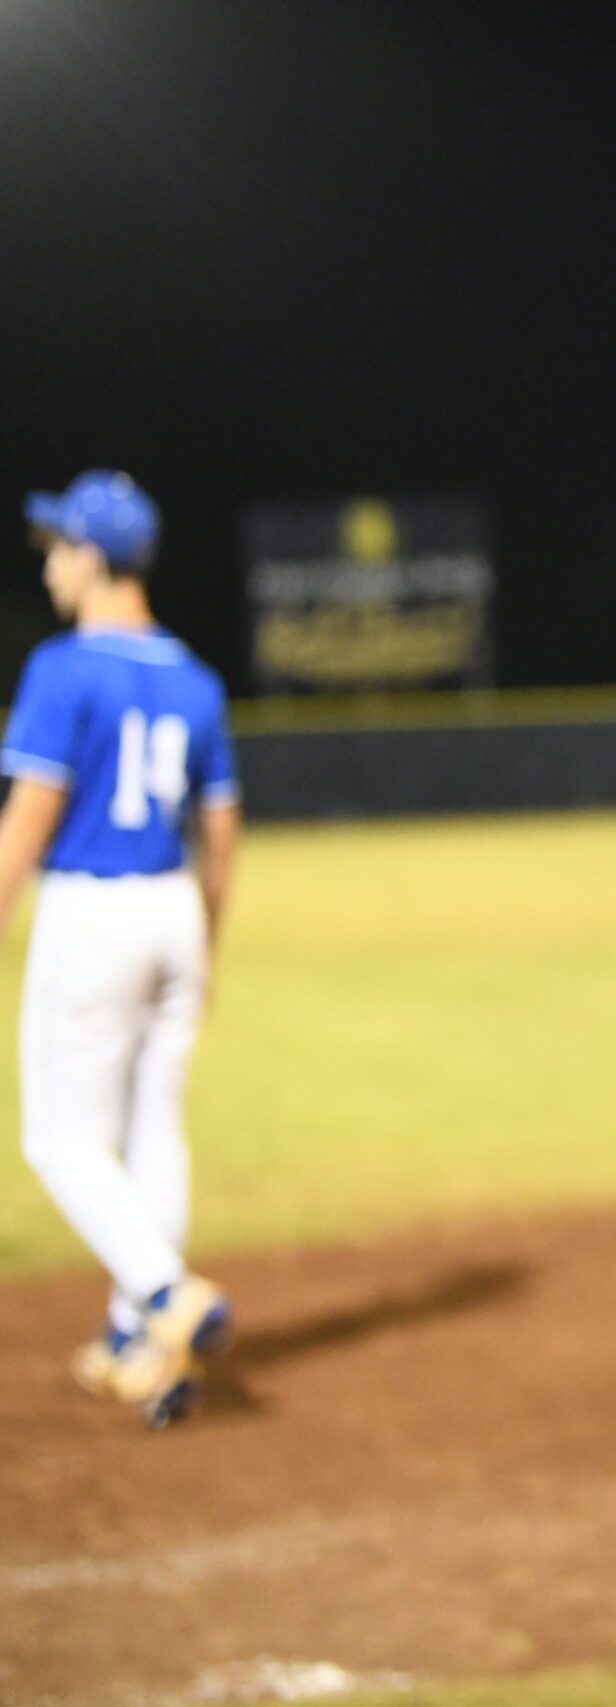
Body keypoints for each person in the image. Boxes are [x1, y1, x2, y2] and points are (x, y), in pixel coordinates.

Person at [2, 471, 241, 1429]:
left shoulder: (65, 669)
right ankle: (142, 1345)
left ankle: (162, 1291)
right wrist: (209, 944)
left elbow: (27, 823)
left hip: (94, 910)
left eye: (61, 546)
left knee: (59, 1138)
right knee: (153, 1129)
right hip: (174, 907)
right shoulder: (195, 678)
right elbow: (219, 831)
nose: (52, 562)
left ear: (94, 558)